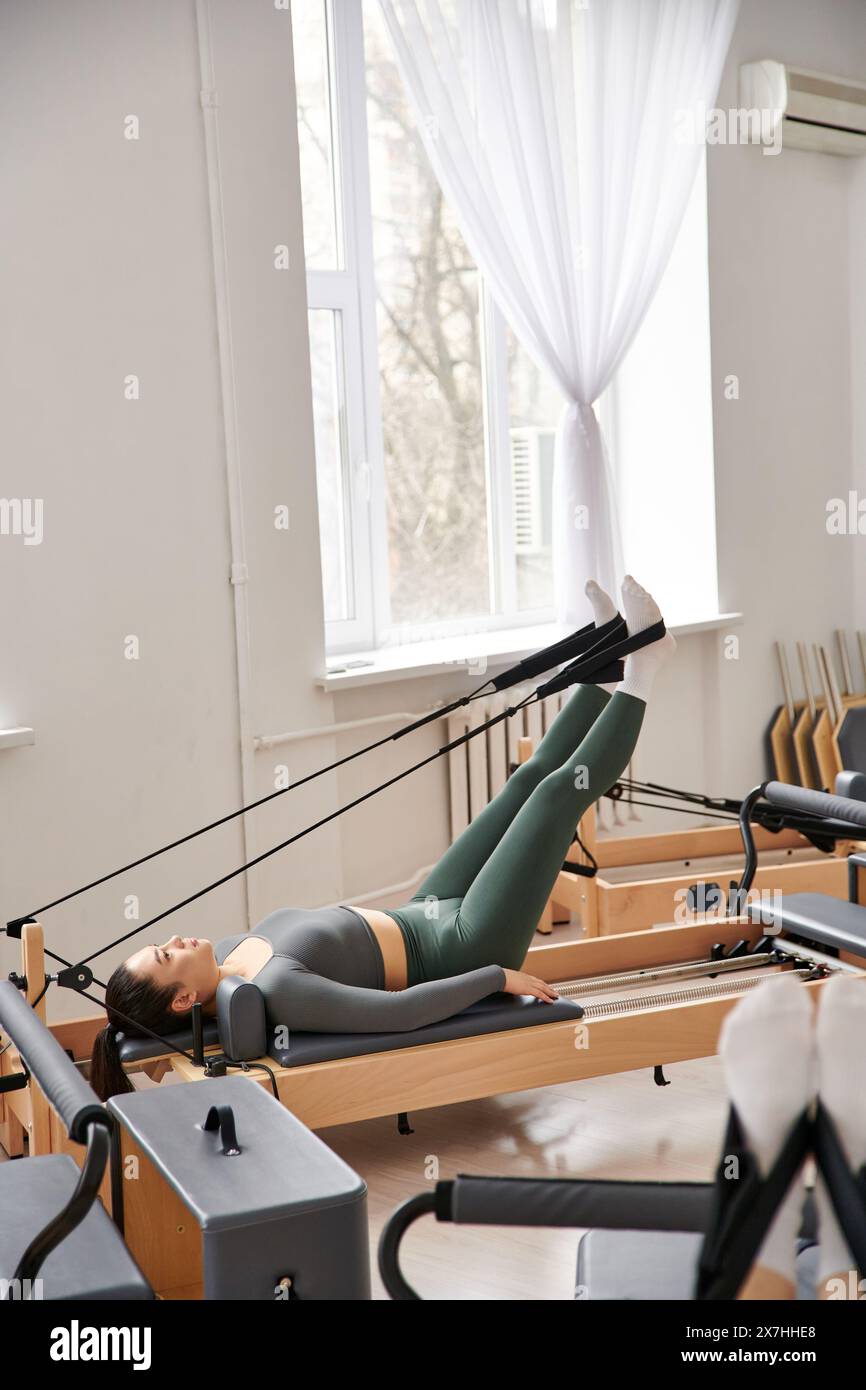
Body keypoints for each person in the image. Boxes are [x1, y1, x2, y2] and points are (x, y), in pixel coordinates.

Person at [91, 576, 676, 1100]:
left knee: (522, 783)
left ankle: (604, 663)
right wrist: (496, 977)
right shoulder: (278, 992)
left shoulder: (226, 958)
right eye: (166, 956)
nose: (174, 940)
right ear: (182, 1000)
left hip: (421, 911)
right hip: (465, 944)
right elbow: (398, 1013)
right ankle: (647, 663)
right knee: (554, 797)